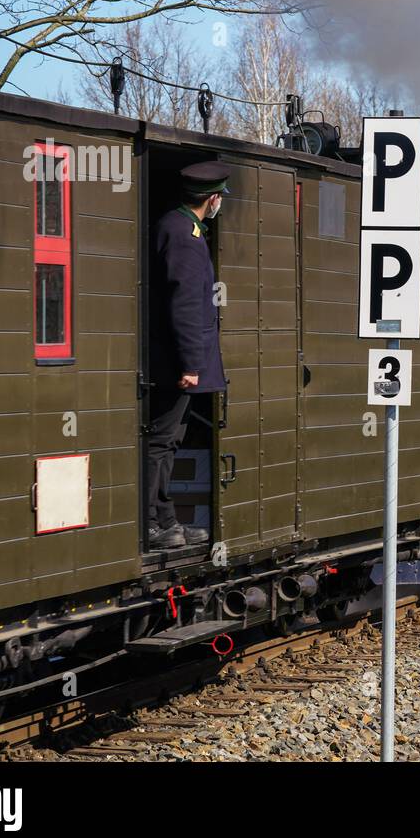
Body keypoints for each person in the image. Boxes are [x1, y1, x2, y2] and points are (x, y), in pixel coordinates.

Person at [145, 160, 231, 550]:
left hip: (177, 360)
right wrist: (191, 364)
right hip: (176, 362)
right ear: (211, 199)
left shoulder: (183, 229)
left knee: (171, 440)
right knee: (160, 442)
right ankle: (151, 523)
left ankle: (166, 519)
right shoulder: (183, 234)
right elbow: (185, 306)